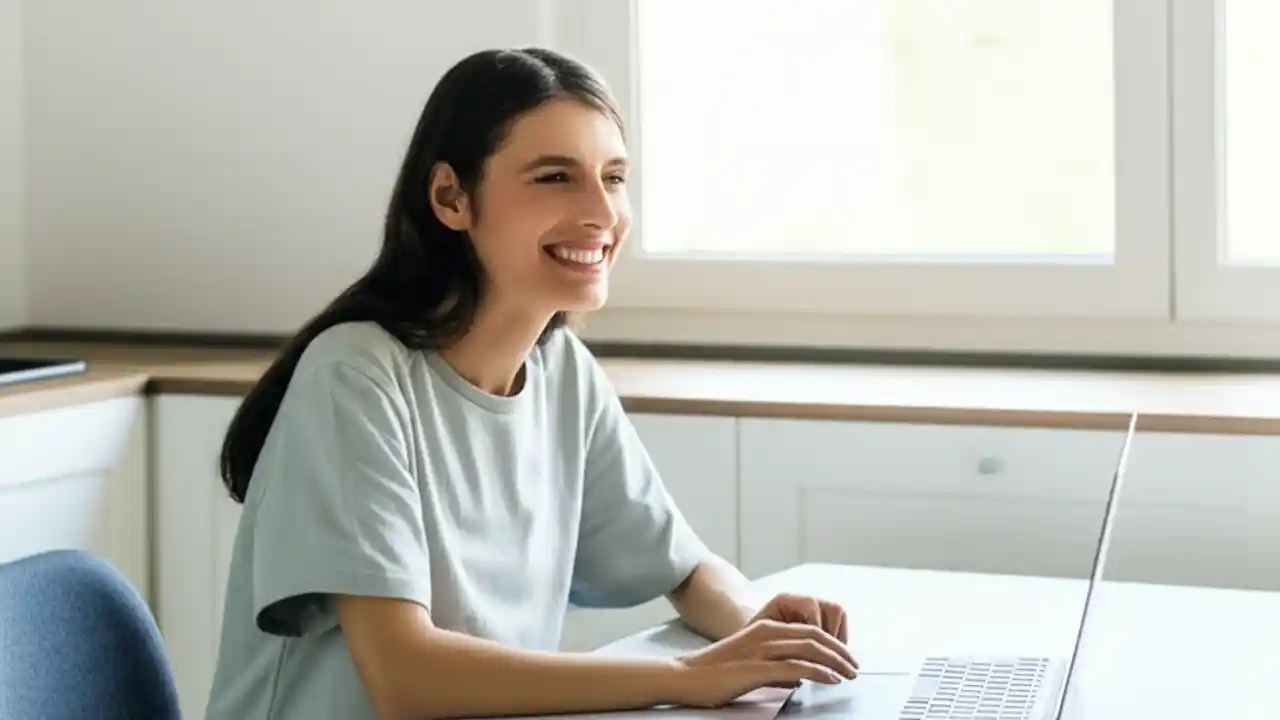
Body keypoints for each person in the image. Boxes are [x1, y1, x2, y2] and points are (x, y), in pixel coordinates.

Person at [205, 47, 857, 720]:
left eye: (614, 177)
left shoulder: (562, 371)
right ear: (451, 198)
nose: (601, 211)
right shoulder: (356, 375)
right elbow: (404, 677)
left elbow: (685, 569)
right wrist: (685, 676)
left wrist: (762, 627)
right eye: (555, 177)